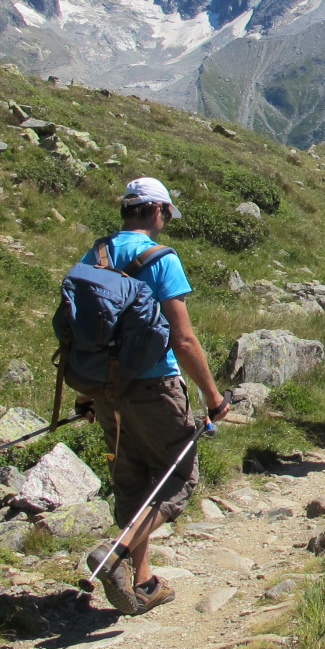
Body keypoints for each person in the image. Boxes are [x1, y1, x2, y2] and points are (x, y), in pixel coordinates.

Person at [80, 177, 229, 616]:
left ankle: (142, 583)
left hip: (106, 387)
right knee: (178, 478)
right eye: (166, 212)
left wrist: (87, 391)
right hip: (154, 385)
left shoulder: (98, 253)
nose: (166, 220)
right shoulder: (162, 259)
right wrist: (214, 396)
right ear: (157, 210)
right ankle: (118, 554)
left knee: (133, 481)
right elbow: (183, 340)